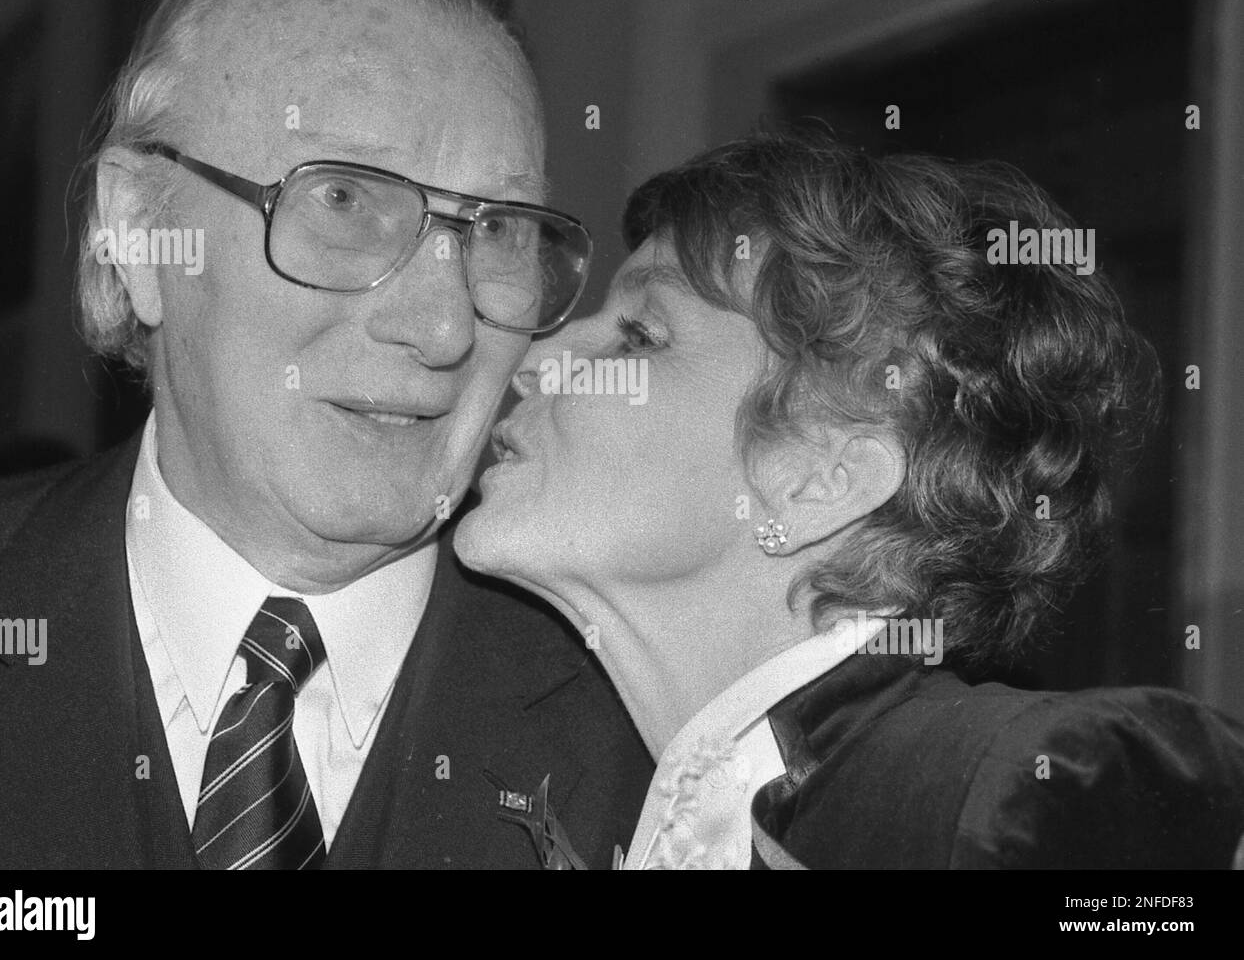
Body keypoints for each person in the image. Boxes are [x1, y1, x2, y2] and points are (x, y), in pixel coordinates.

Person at [0, 0, 651, 870]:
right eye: (346, 202)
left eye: (498, 229)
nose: (445, 329)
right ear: (143, 232)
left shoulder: (647, 712)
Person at [455, 127, 1244, 869]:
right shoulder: (632, 791)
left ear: (818, 481)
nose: (538, 358)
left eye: (640, 336)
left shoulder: (1010, 790)